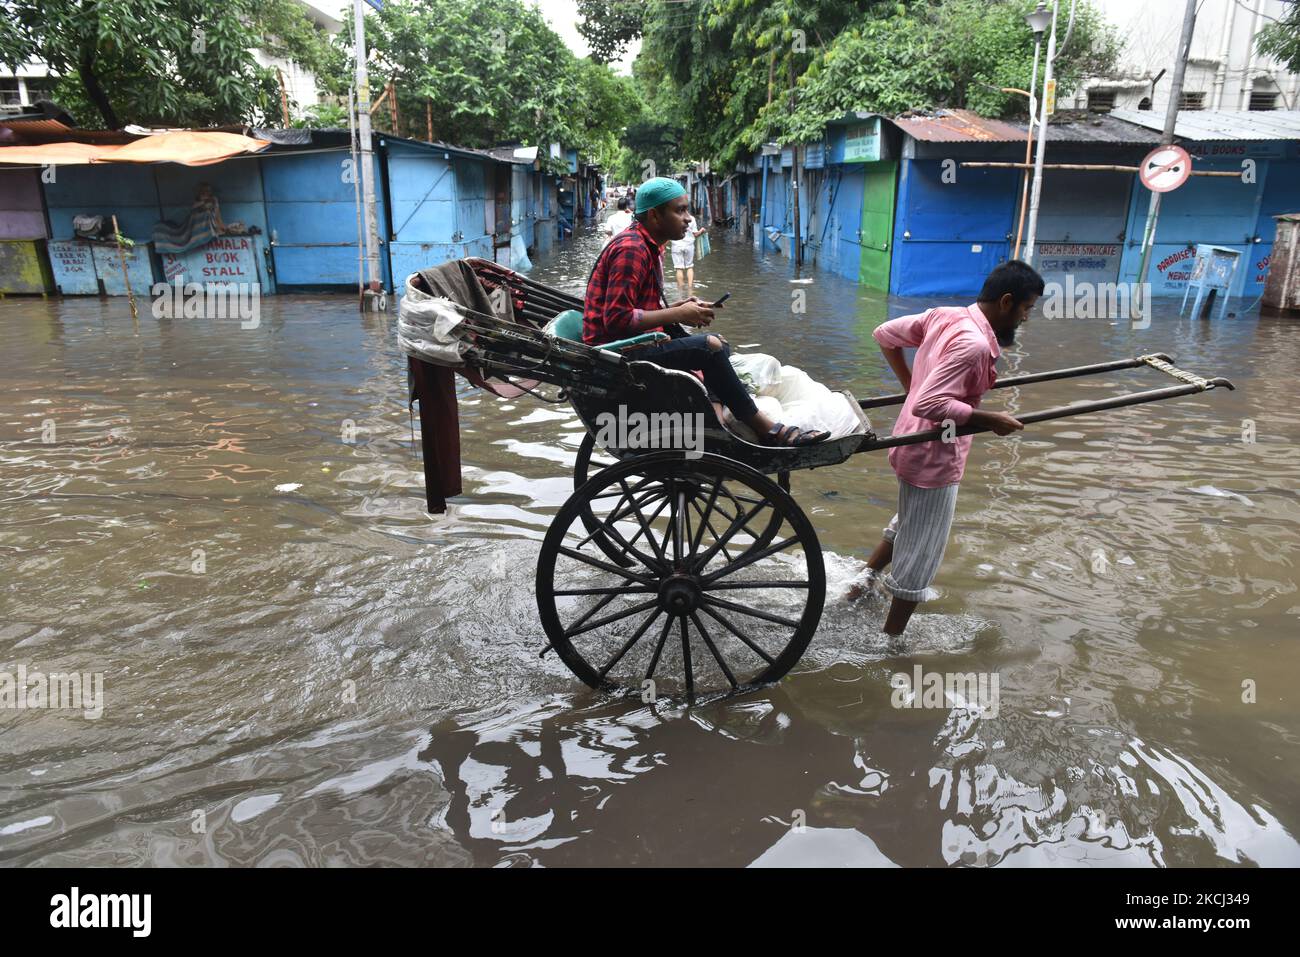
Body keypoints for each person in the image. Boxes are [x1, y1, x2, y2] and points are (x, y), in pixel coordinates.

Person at [848, 260, 1044, 638]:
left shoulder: (948, 316)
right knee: (923, 546)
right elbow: (929, 404)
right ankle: (891, 641)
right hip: (933, 457)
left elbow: (884, 333)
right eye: (1026, 308)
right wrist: (990, 419)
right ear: (1006, 302)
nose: (1025, 318)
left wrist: (911, 383)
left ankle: (862, 582)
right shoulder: (972, 345)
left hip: (910, 443)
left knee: (911, 521)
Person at [582, 176, 828, 447]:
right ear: (654, 215)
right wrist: (678, 315)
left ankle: (716, 416)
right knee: (709, 347)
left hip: (630, 343)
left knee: (718, 344)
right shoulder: (632, 249)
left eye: (687, 210)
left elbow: (637, 309)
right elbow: (616, 319)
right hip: (615, 353)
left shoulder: (647, 246)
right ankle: (767, 429)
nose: (688, 218)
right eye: (680, 210)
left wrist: (682, 308)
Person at [668, 205, 706, 296]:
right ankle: (690, 289)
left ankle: (680, 290)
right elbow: (696, 234)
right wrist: (702, 230)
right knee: (689, 267)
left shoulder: (674, 218)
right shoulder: (691, 218)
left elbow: (669, 233)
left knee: (678, 268)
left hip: (676, 245)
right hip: (689, 246)